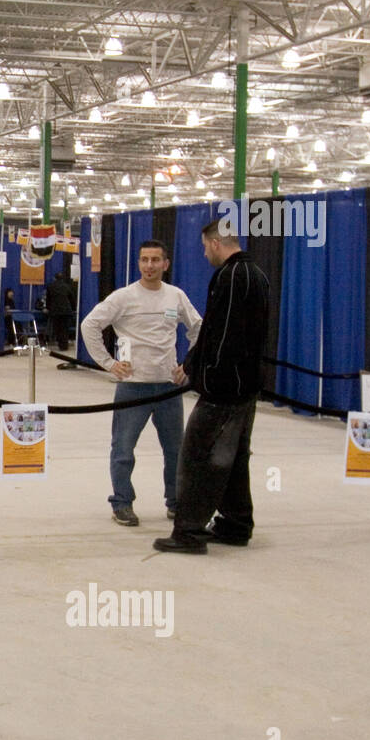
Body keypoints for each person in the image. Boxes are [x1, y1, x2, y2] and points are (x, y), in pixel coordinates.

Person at [154, 219, 270, 554]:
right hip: (246, 386)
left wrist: (209, 376)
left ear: (216, 243)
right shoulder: (257, 274)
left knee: (198, 455)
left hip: (226, 388)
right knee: (232, 458)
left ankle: (188, 532)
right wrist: (192, 362)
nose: (205, 254)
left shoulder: (231, 276)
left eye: (205, 247)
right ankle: (235, 524)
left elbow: (223, 333)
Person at [80, 240, 202, 527]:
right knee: (123, 450)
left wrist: (188, 364)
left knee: (175, 451)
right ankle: (122, 503)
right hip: (132, 387)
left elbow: (198, 328)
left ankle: (176, 503)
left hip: (170, 387)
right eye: (144, 260)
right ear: (138, 263)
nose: (149, 265)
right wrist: (109, 364)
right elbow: (90, 325)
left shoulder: (176, 296)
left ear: (165, 264)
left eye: (155, 260)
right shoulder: (123, 297)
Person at [46, 270, 76, 351]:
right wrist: (73, 308)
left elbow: (48, 299)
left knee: (58, 328)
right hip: (66, 310)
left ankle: (60, 344)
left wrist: (48, 308)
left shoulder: (50, 286)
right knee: (65, 329)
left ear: (54, 278)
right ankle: (64, 345)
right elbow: (72, 299)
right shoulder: (67, 286)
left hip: (55, 311)